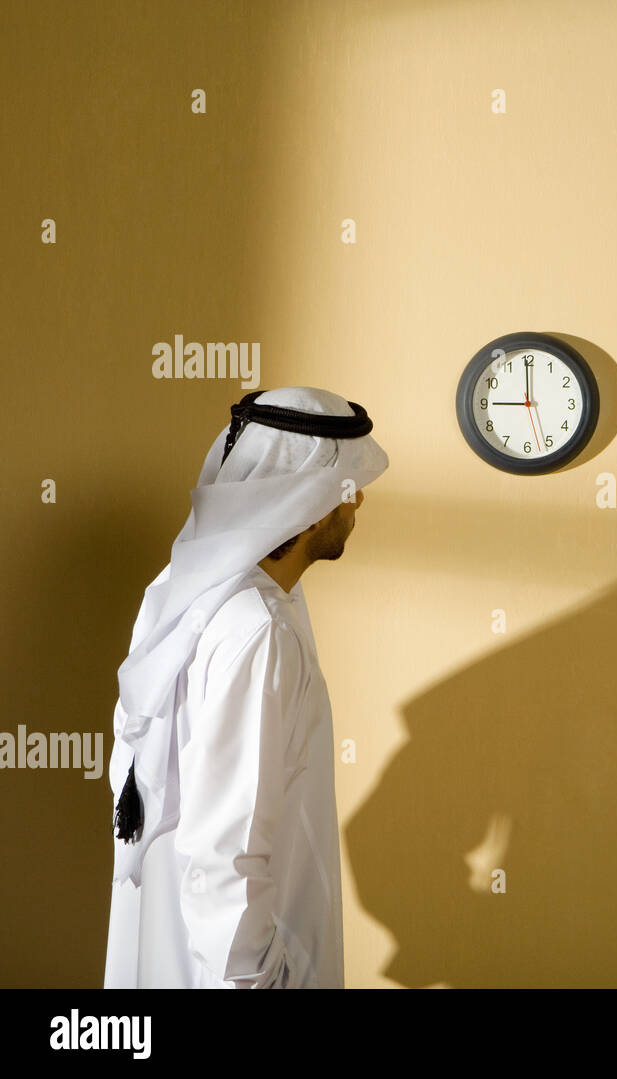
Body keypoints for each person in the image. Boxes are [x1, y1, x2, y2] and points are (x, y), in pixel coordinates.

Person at [103, 386, 388, 988]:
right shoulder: (257, 628)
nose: (359, 498)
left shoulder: (193, 594)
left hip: (185, 944)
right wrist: (256, 978)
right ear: (311, 502)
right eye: (348, 486)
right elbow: (225, 846)